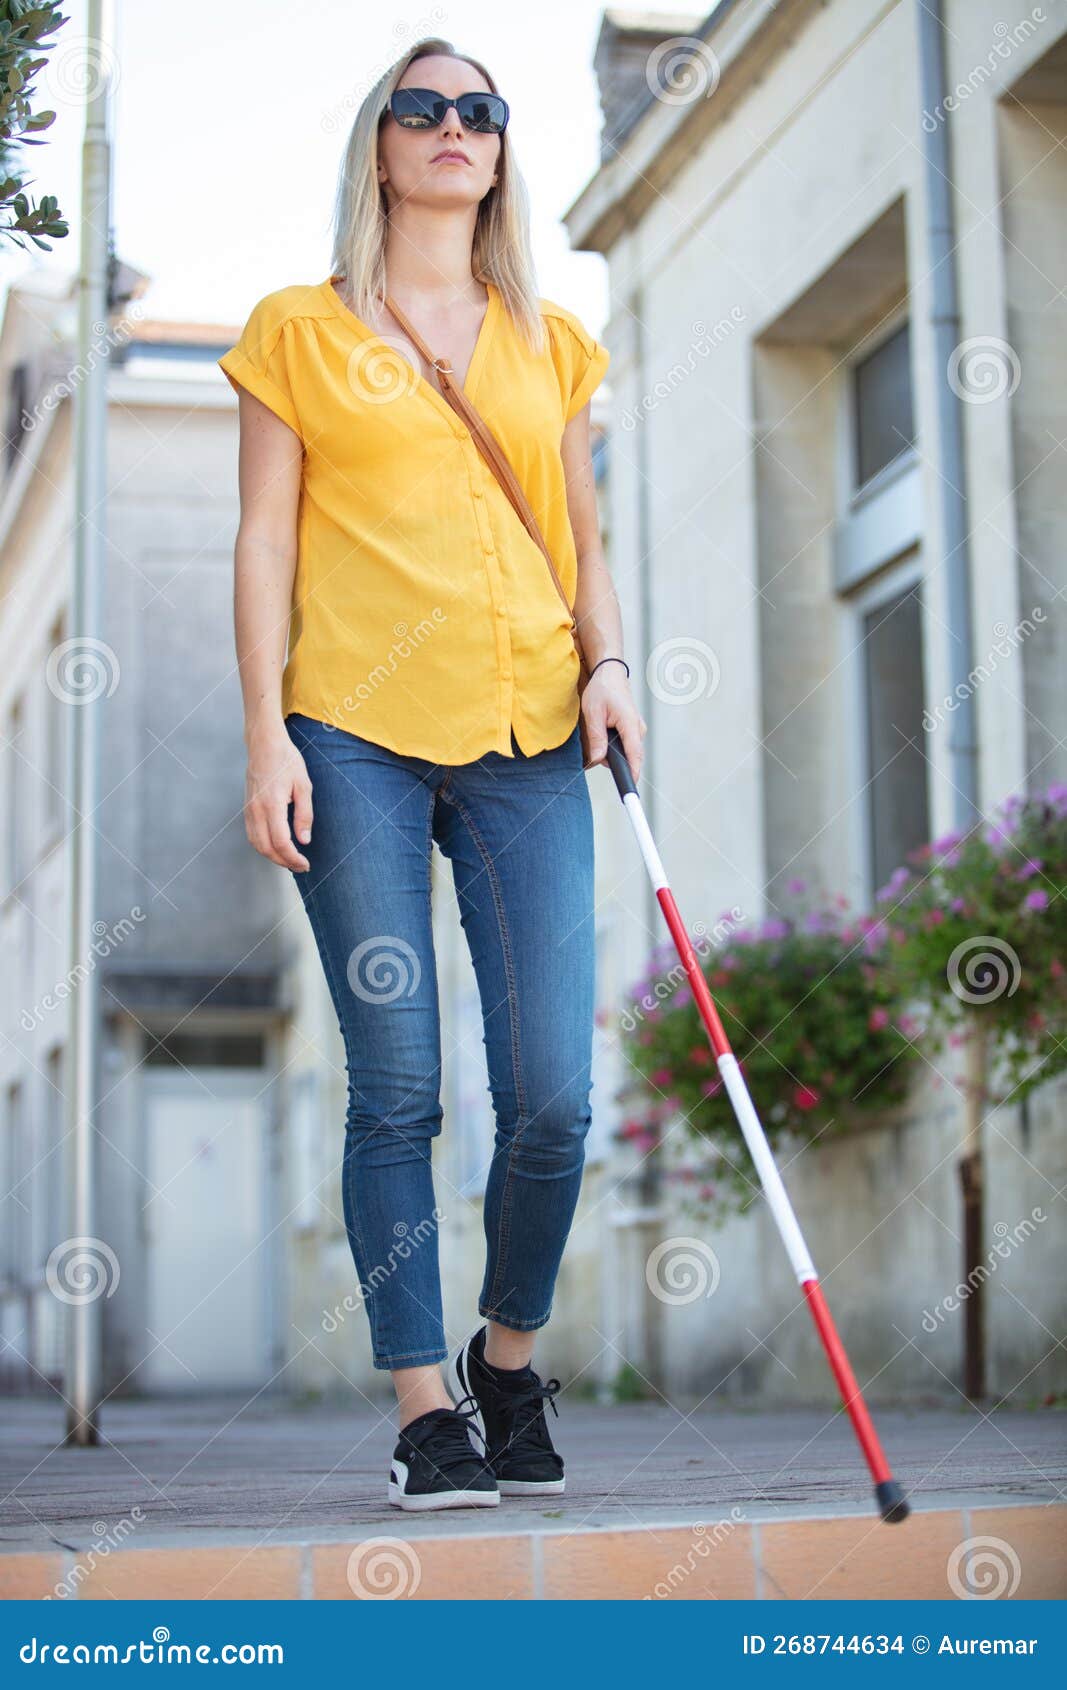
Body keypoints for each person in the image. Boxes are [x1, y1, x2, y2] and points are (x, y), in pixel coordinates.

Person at [218, 36, 645, 1512]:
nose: (455, 129)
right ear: (381, 147)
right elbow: (264, 538)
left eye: (481, 110)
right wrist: (267, 730)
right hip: (353, 733)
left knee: (550, 1095)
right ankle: (425, 1410)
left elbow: (578, 530)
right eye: (424, 109)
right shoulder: (297, 330)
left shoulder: (552, 337)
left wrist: (612, 662)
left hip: (532, 731)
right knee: (398, 1083)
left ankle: (506, 1358)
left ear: (501, 149)